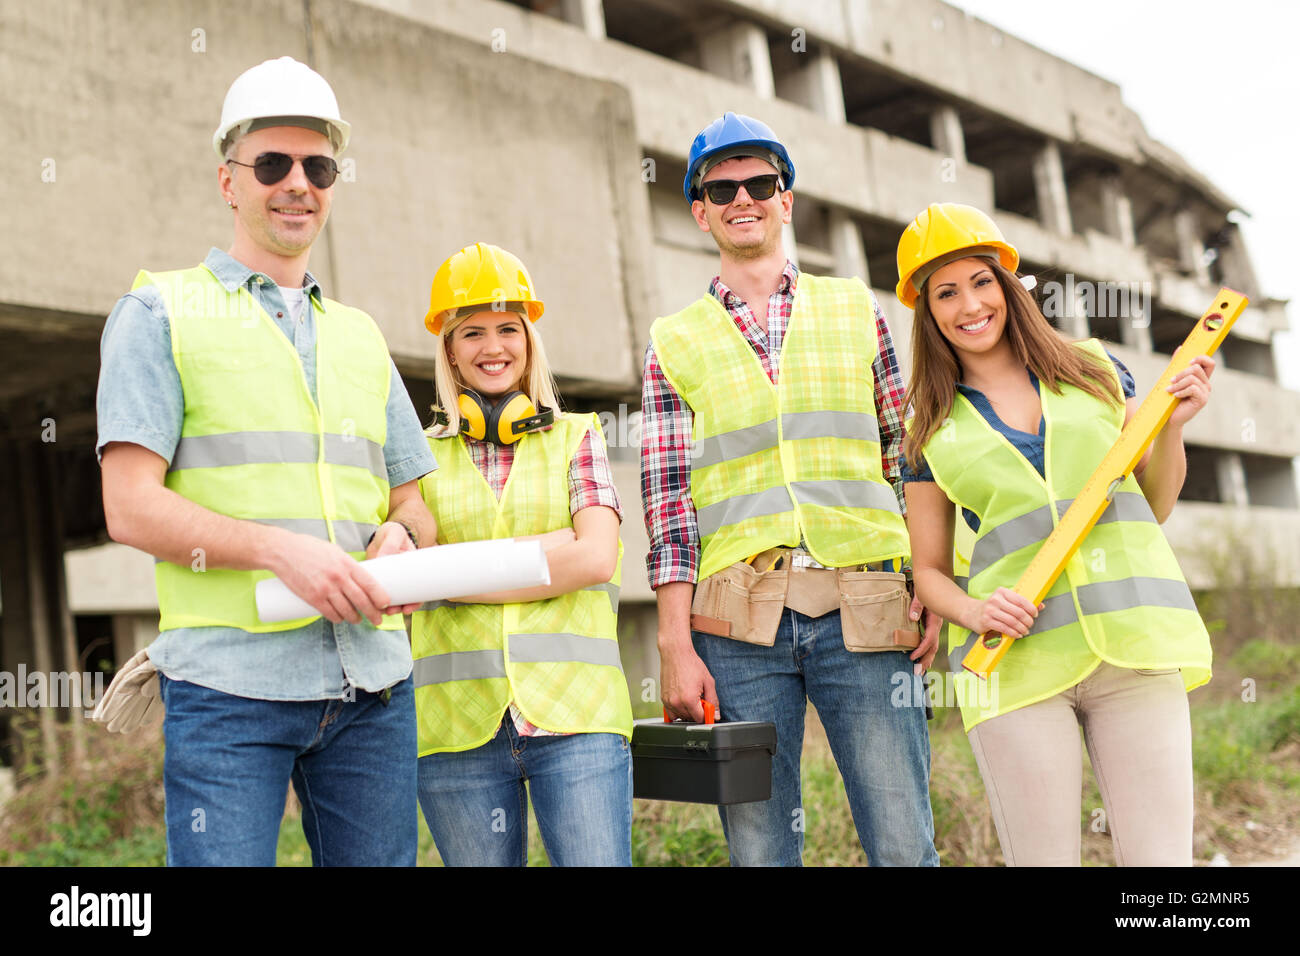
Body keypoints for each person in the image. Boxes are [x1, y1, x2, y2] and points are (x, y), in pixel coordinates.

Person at [95, 57, 437, 866]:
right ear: (228, 181)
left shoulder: (360, 336)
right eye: (272, 164)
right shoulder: (158, 313)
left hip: (373, 689)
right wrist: (281, 551)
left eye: (318, 167)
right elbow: (130, 506)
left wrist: (402, 540)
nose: (297, 184)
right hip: (228, 691)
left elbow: (414, 502)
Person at [640, 112, 941, 866]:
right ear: (700, 209)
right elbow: (669, 502)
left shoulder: (856, 309)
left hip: (866, 604)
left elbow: (904, 460)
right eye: (723, 187)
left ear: (787, 199)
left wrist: (931, 581)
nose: (744, 197)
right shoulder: (673, 341)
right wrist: (675, 642)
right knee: (761, 849)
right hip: (736, 626)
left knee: (903, 840)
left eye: (761, 182)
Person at [898, 202, 1214, 866]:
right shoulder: (927, 428)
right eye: (945, 293)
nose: (969, 305)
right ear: (927, 313)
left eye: (980, 282)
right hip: (1016, 667)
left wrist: (1174, 428)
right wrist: (976, 610)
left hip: (1134, 648)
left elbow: (1152, 506)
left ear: (1007, 286)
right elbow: (927, 571)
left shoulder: (1095, 370)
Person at [411, 242, 633, 867]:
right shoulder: (416, 456)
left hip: (577, 716)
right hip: (458, 725)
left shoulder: (579, 436)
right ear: (449, 349)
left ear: (529, 339)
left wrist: (449, 573)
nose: (493, 347)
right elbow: (406, 575)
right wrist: (548, 548)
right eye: (472, 332)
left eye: (509, 329)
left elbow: (595, 559)